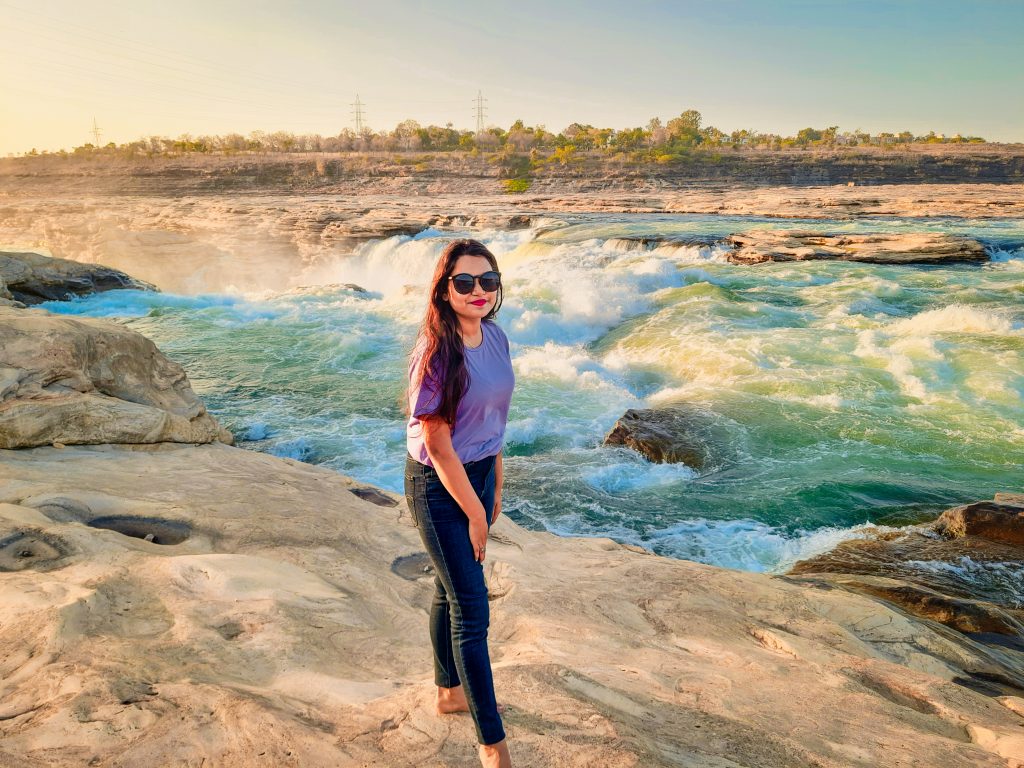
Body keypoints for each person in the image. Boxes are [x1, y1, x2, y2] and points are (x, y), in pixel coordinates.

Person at [404, 239, 515, 768]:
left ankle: (448, 691)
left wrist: (495, 477)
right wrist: (473, 511)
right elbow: (438, 444)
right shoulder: (437, 353)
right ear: (444, 290)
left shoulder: (495, 337)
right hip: (437, 483)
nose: (478, 291)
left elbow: (494, 419)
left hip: (478, 474)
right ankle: (492, 744)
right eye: (465, 282)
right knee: (472, 610)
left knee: (449, 588)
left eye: (487, 281)